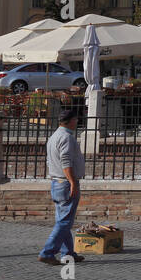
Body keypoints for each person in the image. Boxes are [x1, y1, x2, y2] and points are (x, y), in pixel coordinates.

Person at [38, 107, 86, 265]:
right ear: (71, 121)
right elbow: (66, 162)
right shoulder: (66, 138)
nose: (77, 122)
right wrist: (72, 182)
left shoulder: (54, 137)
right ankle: (47, 252)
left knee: (62, 220)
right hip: (65, 183)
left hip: (56, 182)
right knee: (65, 222)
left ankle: (68, 253)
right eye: (76, 119)